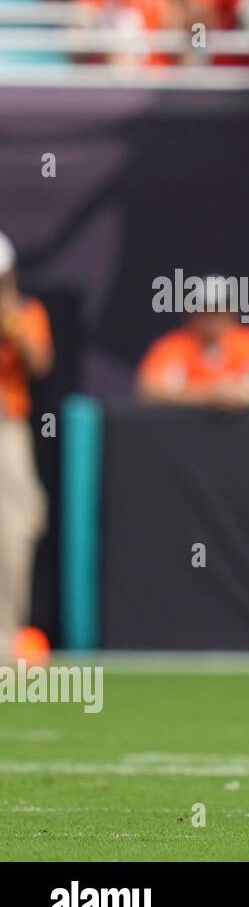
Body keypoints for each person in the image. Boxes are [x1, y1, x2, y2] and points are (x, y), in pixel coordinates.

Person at [0, 233, 53, 659]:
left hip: (8, 428)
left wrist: (9, 322)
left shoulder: (25, 313)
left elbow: (39, 363)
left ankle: (6, 634)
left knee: (17, 527)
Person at [136, 277, 249, 410]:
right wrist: (208, 396)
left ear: (232, 311)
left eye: (218, 310)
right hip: (185, 436)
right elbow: (149, 391)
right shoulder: (172, 345)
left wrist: (240, 394)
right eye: (205, 310)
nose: (212, 318)